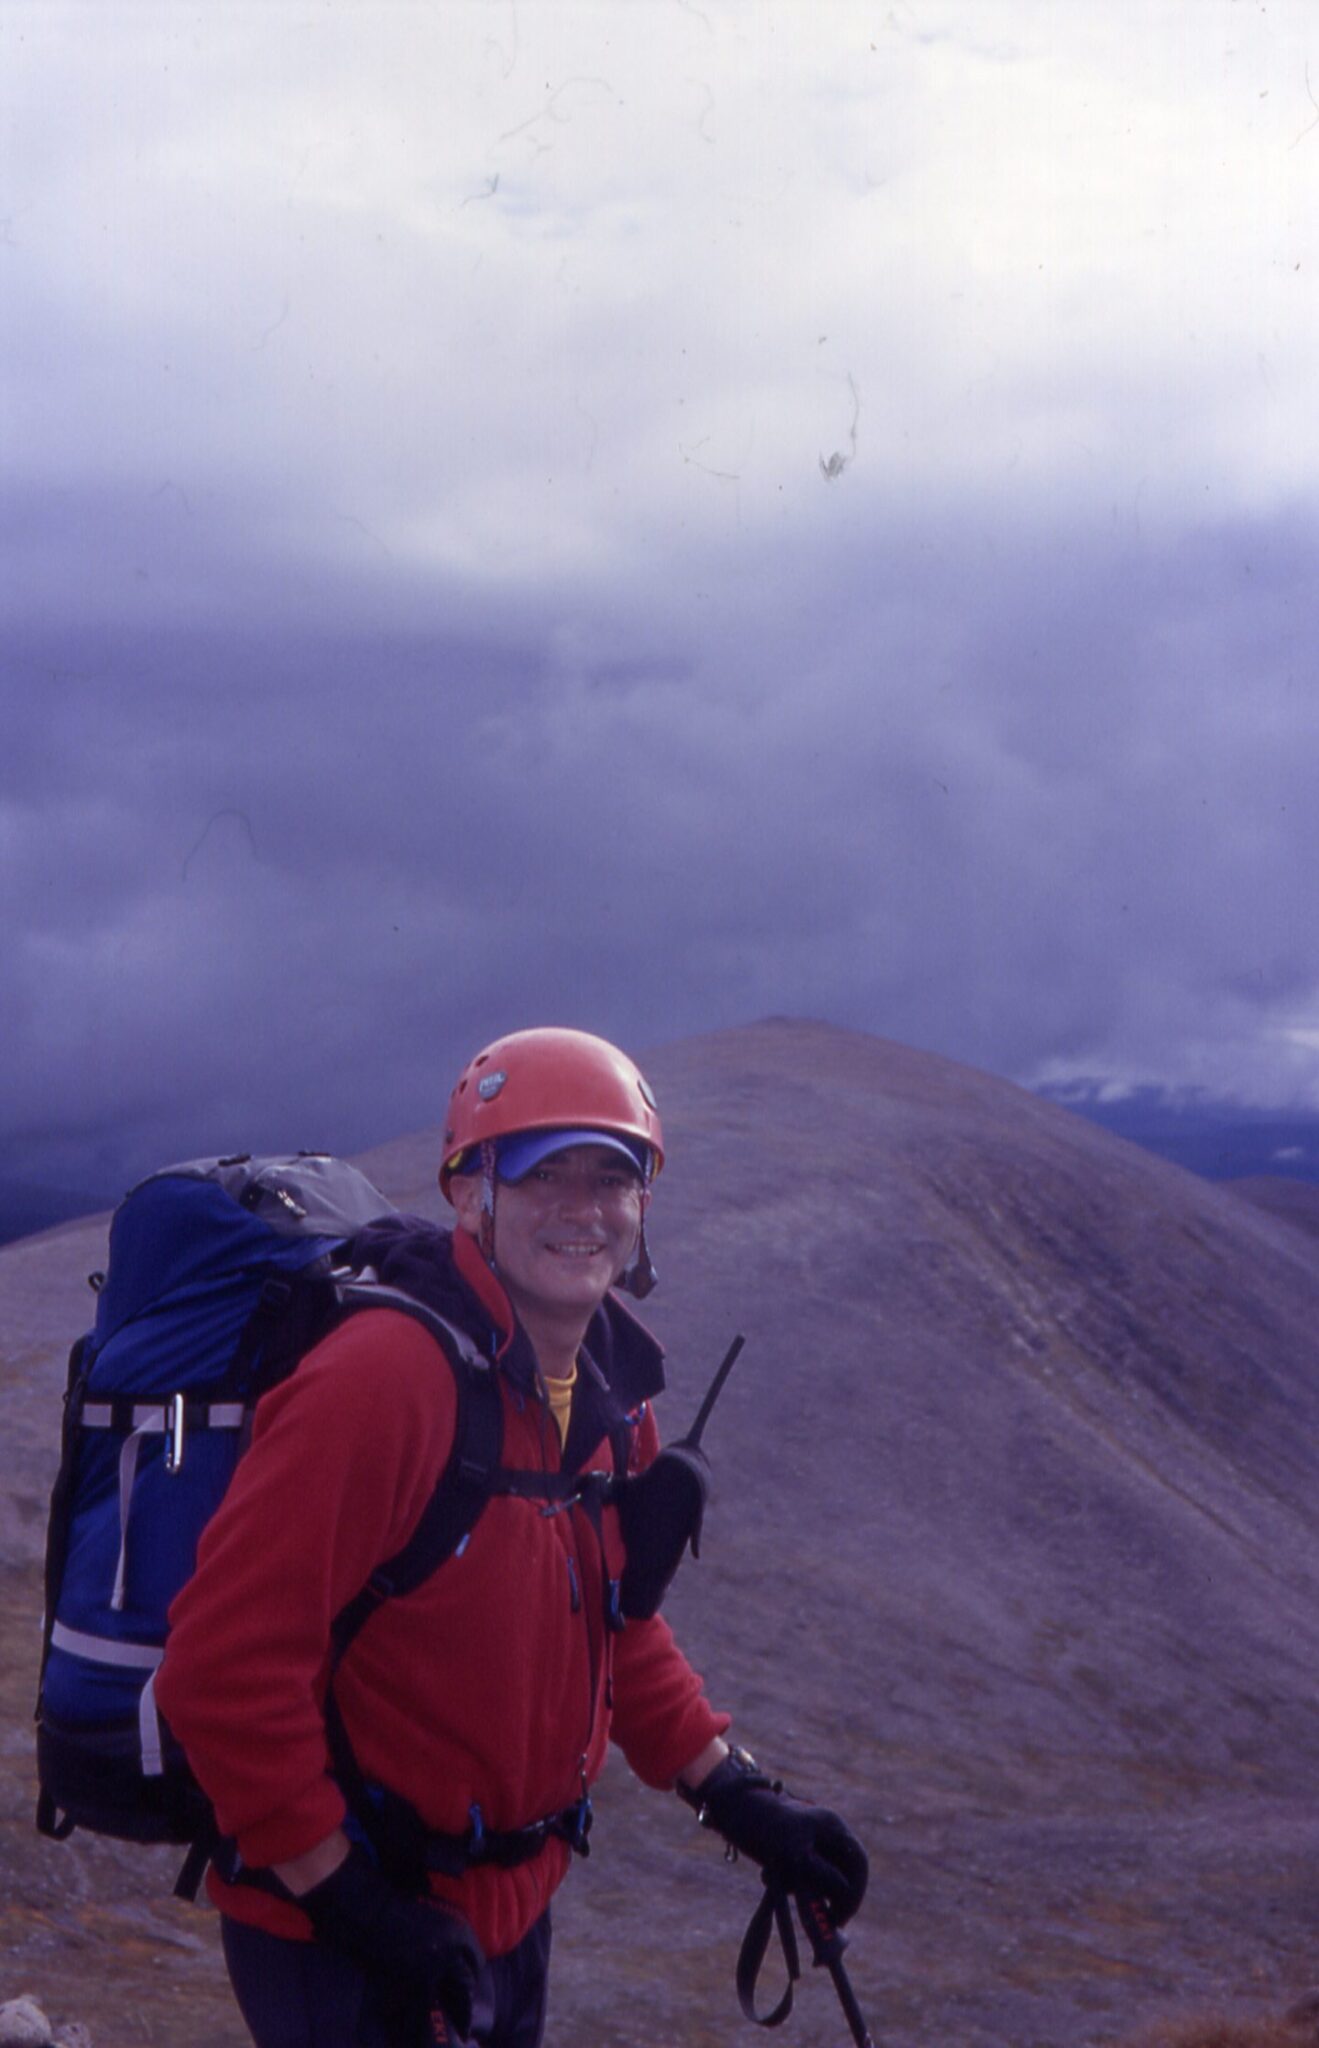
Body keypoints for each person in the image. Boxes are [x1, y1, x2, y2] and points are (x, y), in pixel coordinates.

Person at [155, 1026, 867, 2047]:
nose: (581, 1209)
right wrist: (348, 1896)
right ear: (466, 1191)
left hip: (501, 1921)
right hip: (340, 1926)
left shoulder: (613, 1400)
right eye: (540, 1173)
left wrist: (740, 1796)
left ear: (642, 1207)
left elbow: (612, 1621)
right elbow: (218, 1669)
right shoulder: (381, 1381)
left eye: (611, 1176)